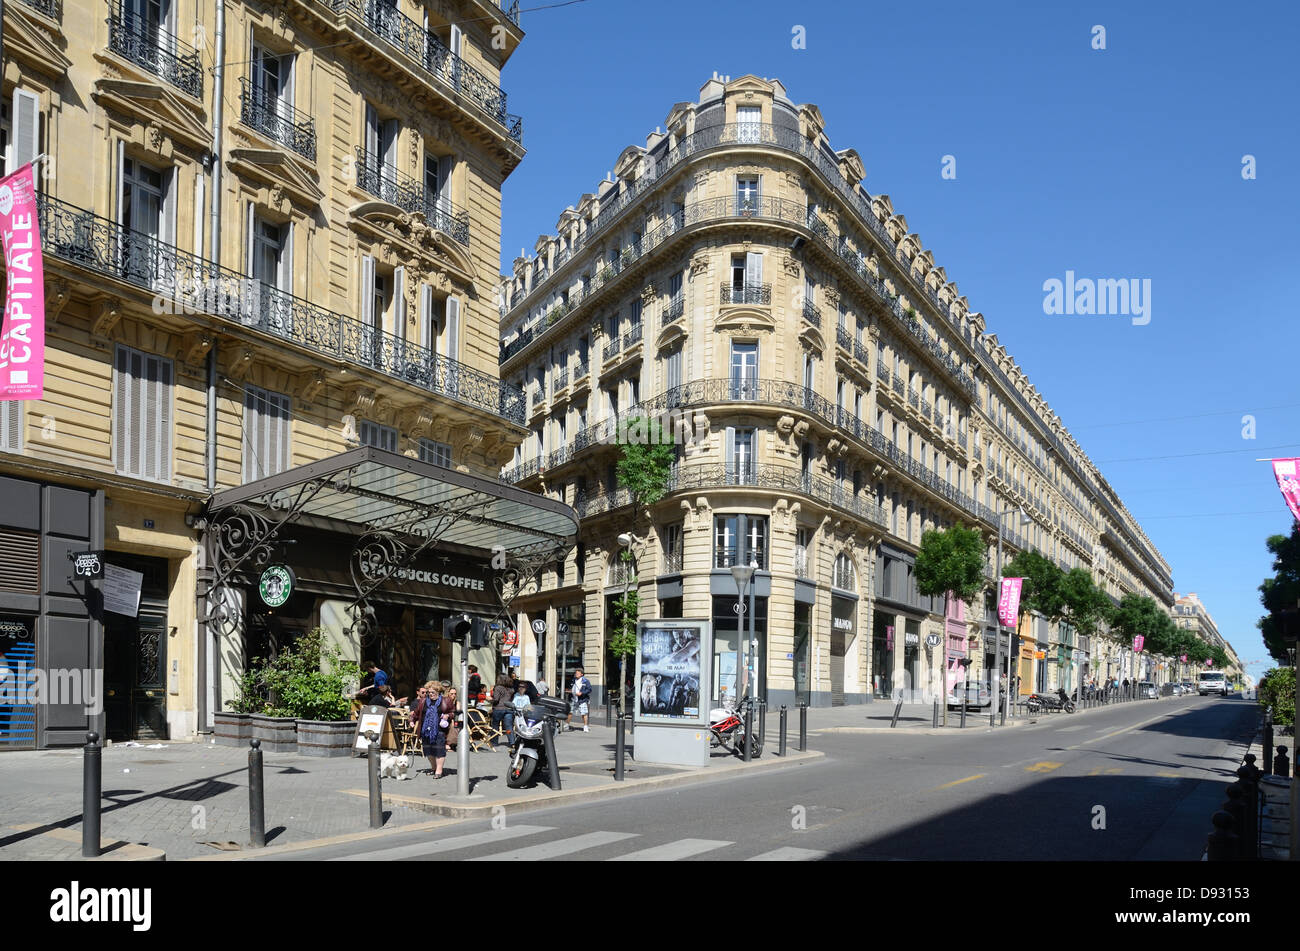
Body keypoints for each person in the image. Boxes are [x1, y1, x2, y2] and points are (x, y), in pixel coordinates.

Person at [412, 682, 447, 779]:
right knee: (428, 750)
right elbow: (416, 713)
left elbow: (451, 711)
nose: (430, 694)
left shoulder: (444, 701)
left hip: (439, 730)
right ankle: (433, 768)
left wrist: (448, 716)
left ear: (438, 691)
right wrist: (412, 720)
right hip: (425, 730)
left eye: (432, 692)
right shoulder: (423, 701)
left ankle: (439, 770)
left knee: (439, 750)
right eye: (429, 692)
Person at [490, 674, 514, 749]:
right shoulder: (511, 689)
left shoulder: (498, 688)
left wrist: (490, 700)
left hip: (498, 708)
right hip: (509, 709)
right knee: (508, 726)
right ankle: (512, 742)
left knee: (495, 725)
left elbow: (496, 699)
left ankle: (494, 742)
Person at [566, 668, 591, 732]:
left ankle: (585, 726)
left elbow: (589, 690)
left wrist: (582, 693)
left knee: (584, 713)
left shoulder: (585, 681)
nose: (576, 674)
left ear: (582, 674)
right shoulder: (573, 680)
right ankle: (567, 725)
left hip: (582, 699)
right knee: (570, 712)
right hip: (573, 699)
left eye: (577, 673)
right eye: (576, 673)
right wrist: (569, 691)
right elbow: (570, 687)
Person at [442, 686, 461, 753]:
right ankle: (448, 744)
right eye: (452, 694)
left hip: (454, 719)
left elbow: (458, 713)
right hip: (444, 719)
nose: (454, 695)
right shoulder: (444, 701)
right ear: (448, 694)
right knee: (453, 725)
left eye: (455, 694)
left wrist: (457, 704)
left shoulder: (456, 702)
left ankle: (450, 744)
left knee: (454, 725)